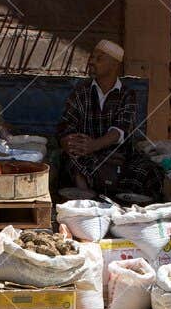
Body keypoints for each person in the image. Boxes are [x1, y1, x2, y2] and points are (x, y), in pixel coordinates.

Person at [55, 40, 159, 204]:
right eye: (92, 57)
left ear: (114, 65)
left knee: (148, 169)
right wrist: (68, 141)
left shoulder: (127, 95)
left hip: (116, 154)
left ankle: (120, 203)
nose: (92, 62)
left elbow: (119, 130)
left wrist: (94, 144)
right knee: (69, 161)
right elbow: (67, 125)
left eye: (99, 58)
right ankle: (87, 200)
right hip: (85, 153)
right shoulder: (81, 92)